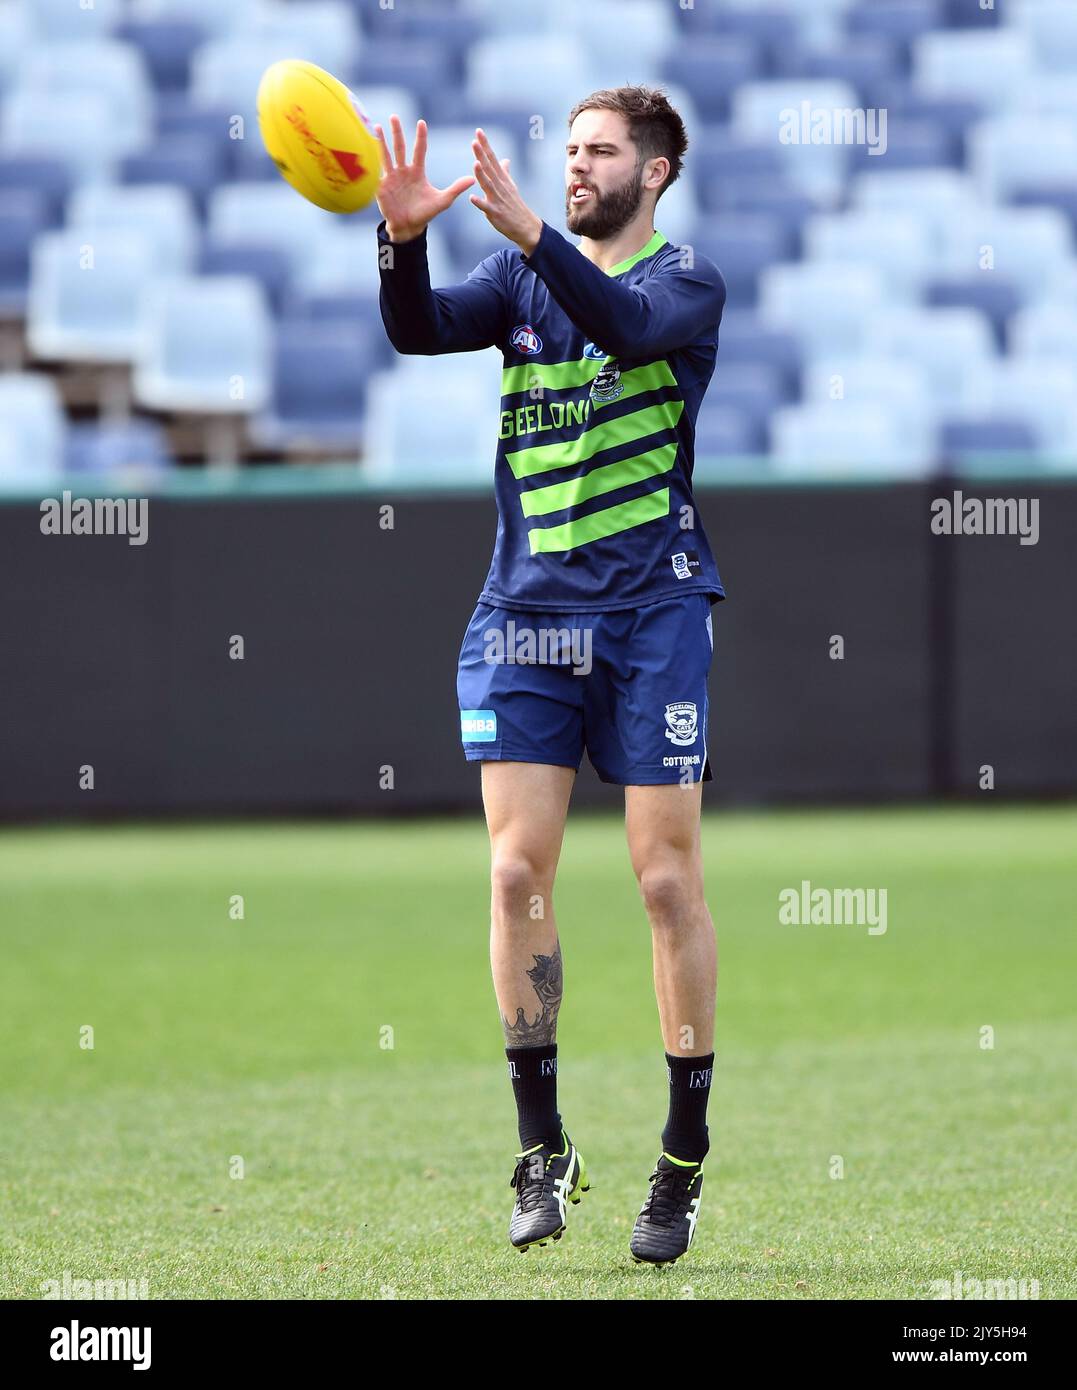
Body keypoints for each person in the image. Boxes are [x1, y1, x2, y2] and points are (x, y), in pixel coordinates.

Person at [375, 85, 725, 1267]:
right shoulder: (524, 280)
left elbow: (624, 327)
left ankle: (679, 1161)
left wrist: (528, 234)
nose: (576, 167)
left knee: (666, 882)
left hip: (653, 609)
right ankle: (542, 1147)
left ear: (657, 171)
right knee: (516, 867)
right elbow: (417, 330)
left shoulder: (687, 284)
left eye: (600, 152)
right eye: (568, 151)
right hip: (525, 613)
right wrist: (404, 241)